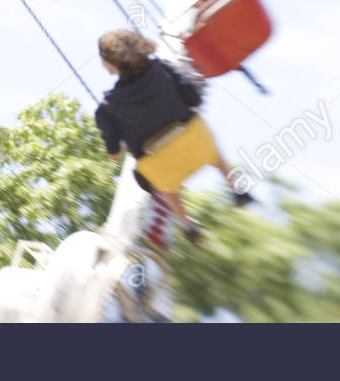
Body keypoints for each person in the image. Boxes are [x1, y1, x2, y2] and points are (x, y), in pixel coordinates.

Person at [94, 30, 252, 246]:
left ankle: (187, 223)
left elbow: (113, 154)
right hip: (198, 146)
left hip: (163, 169)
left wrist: (125, 135)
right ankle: (236, 187)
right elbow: (193, 98)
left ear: (110, 64)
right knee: (212, 151)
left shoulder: (106, 109)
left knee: (162, 182)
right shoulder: (163, 68)